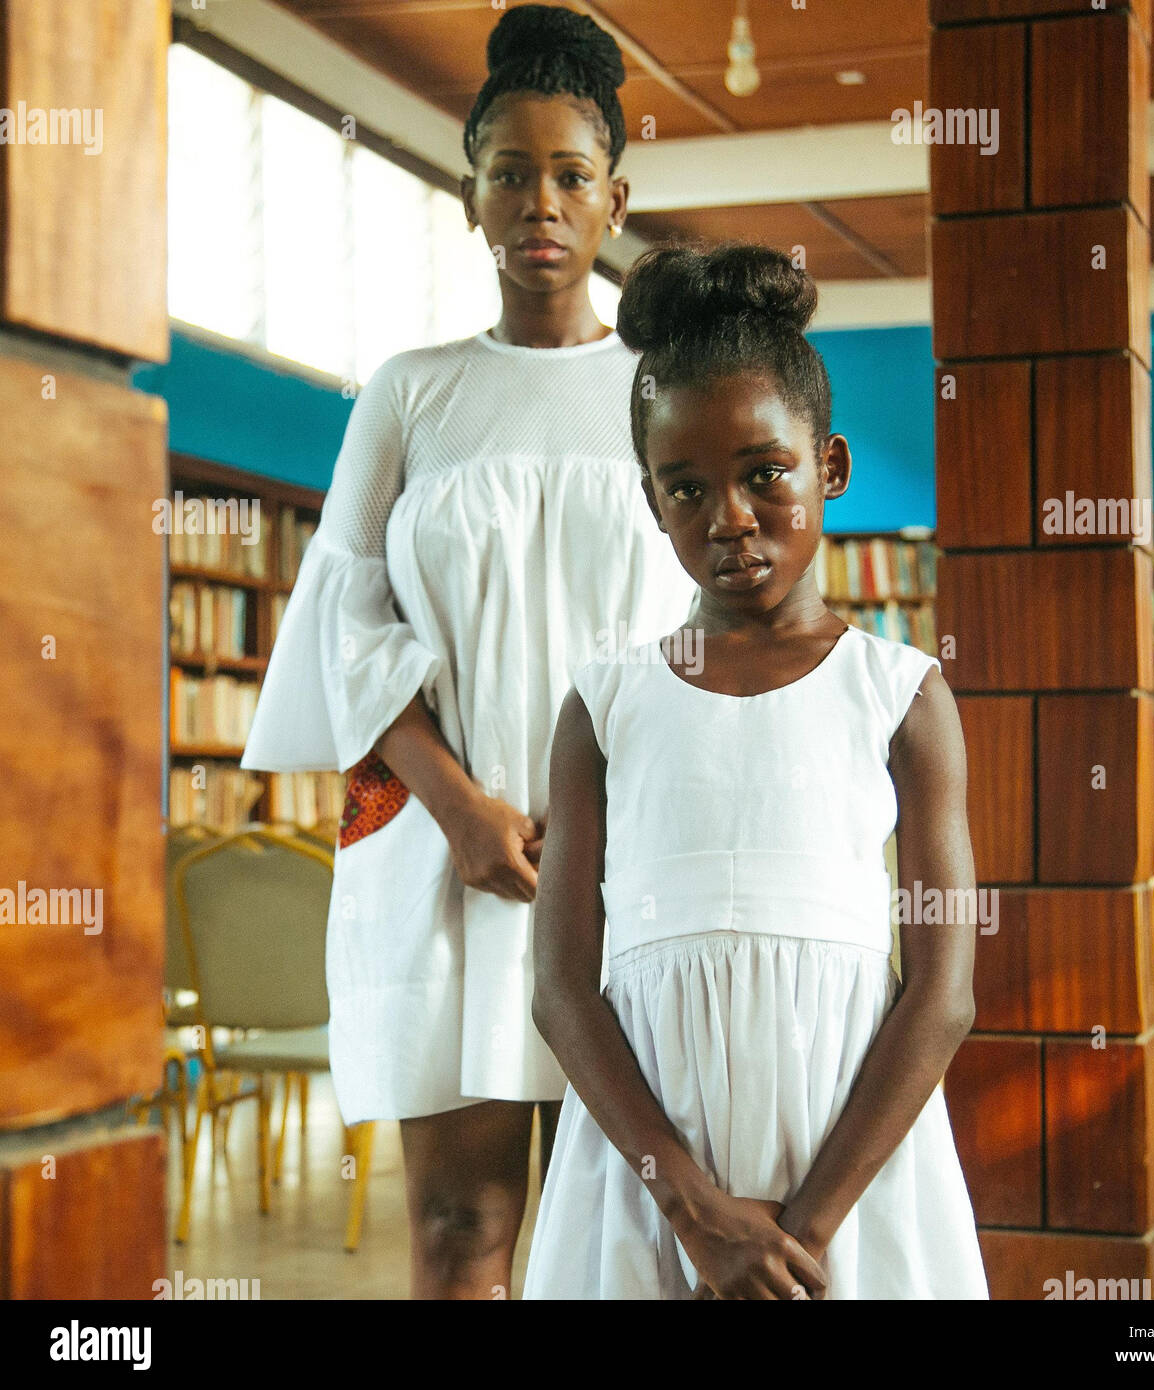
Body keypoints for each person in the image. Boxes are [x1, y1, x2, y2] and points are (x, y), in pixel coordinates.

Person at [241, 5, 696, 1298]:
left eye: (568, 174)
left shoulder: (665, 390)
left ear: (615, 197)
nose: (538, 200)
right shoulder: (410, 389)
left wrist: (615, 824)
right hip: (451, 858)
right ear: (470, 197)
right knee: (458, 1235)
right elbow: (348, 618)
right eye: (509, 172)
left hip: (627, 862)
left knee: (624, 1238)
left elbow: (709, 620)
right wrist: (461, 810)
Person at [522, 243, 988, 1300]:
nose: (727, 515)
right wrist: (693, 1209)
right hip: (651, 1184)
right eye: (686, 487)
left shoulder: (901, 695)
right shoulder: (604, 706)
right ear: (651, 501)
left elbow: (943, 994)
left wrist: (798, 1234)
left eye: (762, 474)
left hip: (852, 1176)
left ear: (828, 467)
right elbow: (559, 989)